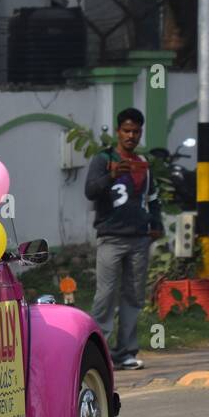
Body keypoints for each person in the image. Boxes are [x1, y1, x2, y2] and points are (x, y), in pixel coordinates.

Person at [85, 107, 163, 370]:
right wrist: (112, 175)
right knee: (105, 295)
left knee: (133, 296)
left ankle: (125, 352)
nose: (131, 136)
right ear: (118, 131)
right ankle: (97, 352)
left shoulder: (143, 164)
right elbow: (90, 191)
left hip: (139, 238)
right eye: (127, 131)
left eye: (136, 131)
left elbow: (152, 198)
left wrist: (156, 223)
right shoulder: (104, 159)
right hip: (111, 237)